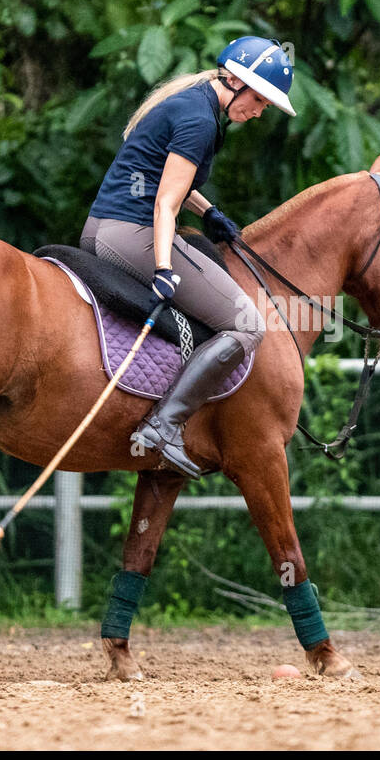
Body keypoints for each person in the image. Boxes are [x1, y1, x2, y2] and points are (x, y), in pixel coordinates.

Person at [80, 35, 295, 478]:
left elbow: (171, 179)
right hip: (131, 235)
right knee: (248, 325)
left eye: (266, 106)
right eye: (258, 99)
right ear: (233, 81)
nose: (258, 112)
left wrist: (209, 211)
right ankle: (164, 424)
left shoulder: (192, 103)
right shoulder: (200, 120)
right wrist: (162, 267)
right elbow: (164, 204)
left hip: (102, 228)